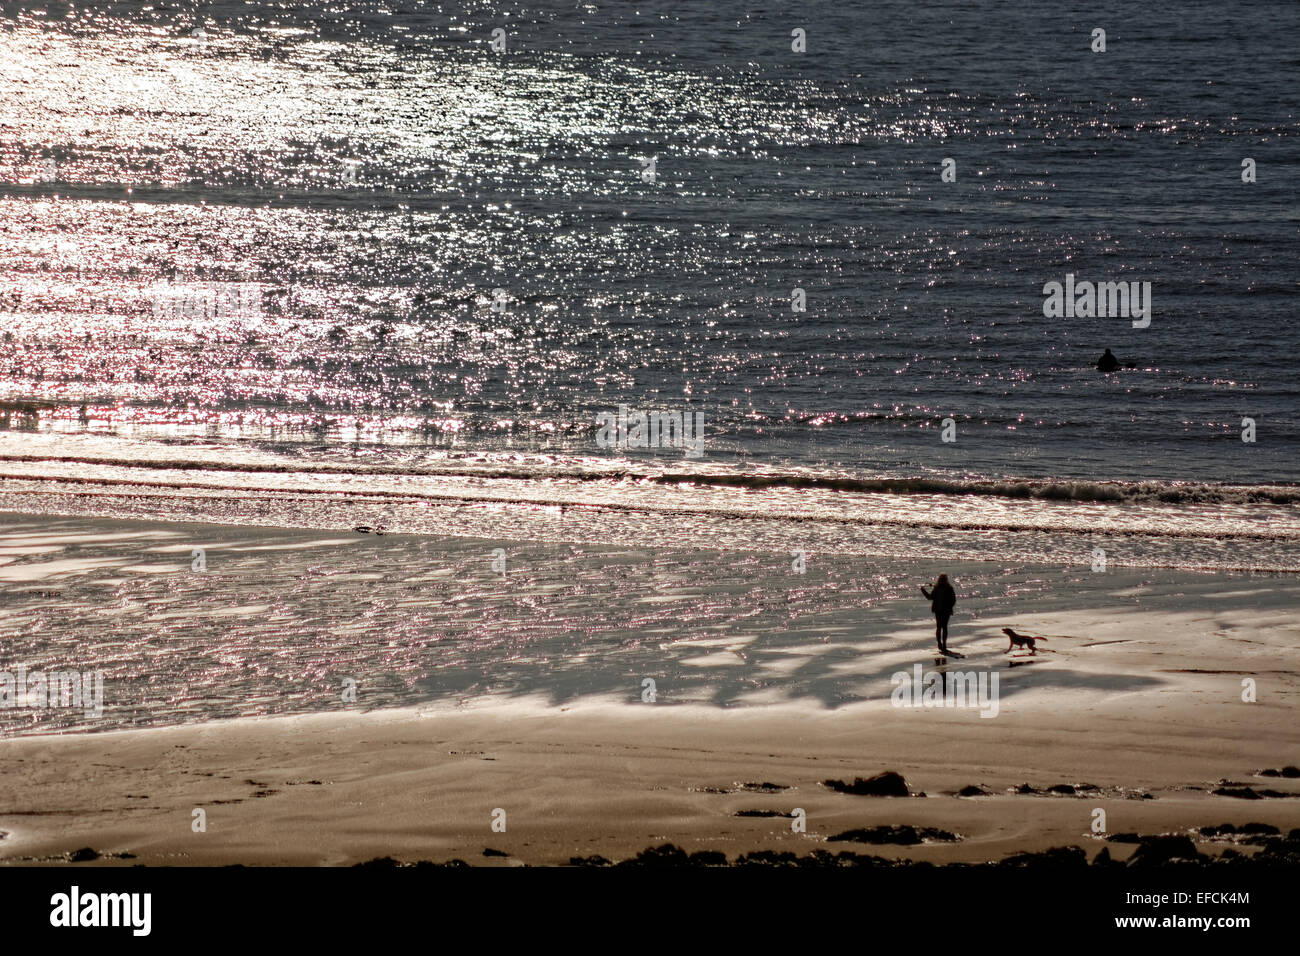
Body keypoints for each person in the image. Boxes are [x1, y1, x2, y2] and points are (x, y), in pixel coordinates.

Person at [920, 574, 957, 654]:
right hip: (946, 610)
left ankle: (940, 644)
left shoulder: (937, 588)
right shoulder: (949, 588)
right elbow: (953, 600)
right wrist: (950, 606)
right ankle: (943, 644)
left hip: (938, 610)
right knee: (944, 627)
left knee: (939, 627)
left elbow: (929, 597)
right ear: (946, 580)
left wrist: (923, 590)